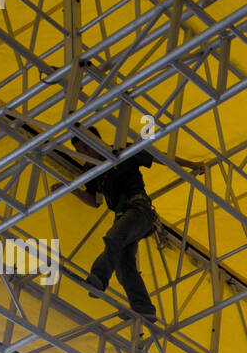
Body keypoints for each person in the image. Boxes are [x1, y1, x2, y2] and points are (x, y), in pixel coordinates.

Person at [69, 125, 202, 322]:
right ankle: (143, 308)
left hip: (138, 210)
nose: (86, 153)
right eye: (81, 151)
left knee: (114, 238)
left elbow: (160, 157)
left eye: (87, 147)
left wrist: (191, 165)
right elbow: (94, 201)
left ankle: (98, 277)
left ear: (96, 141)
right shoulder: (91, 169)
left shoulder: (122, 152)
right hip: (123, 215)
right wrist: (70, 188)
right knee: (124, 266)